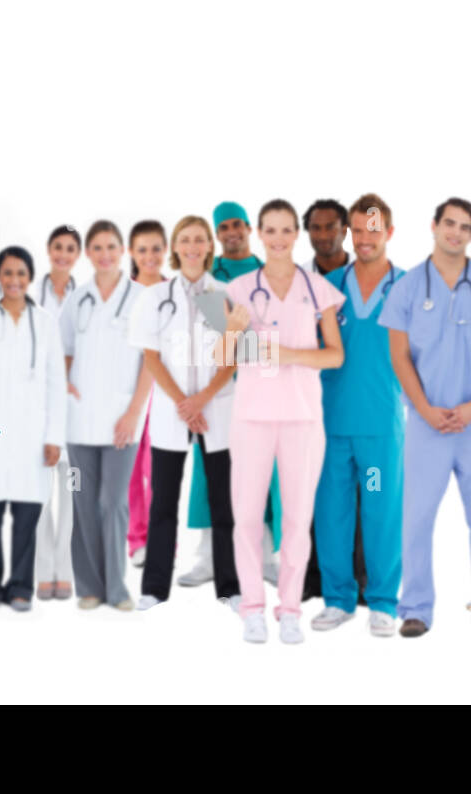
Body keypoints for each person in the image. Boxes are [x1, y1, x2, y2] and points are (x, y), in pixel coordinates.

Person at [380, 198, 471, 639]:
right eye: (449, 224)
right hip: (425, 423)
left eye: (465, 227)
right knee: (416, 516)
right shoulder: (405, 288)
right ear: (434, 226)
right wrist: (422, 408)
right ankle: (415, 608)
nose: (455, 232)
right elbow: (399, 356)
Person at [222, 198, 344, 644]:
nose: (277, 239)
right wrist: (234, 332)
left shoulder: (317, 289)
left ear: (296, 235)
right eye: (269, 231)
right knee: (248, 519)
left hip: (302, 417)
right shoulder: (237, 289)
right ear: (259, 233)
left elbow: (335, 354)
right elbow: (221, 358)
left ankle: (289, 609)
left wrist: (291, 355)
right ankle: (252, 607)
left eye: (285, 231)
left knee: (296, 519)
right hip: (252, 416)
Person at [129, 216, 240, 610]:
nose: (192, 247)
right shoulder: (156, 296)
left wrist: (203, 398)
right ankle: (153, 588)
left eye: (199, 240)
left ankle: (230, 587)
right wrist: (184, 402)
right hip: (171, 413)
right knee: (163, 504)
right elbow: (151, 357)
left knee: (224, 503)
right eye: (185, 240)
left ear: (209, 246)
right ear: (176, 247)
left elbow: (231, 357)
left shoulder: (223, 295)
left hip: (216, 410)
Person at [310, 194, 405, 637]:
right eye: (358, 231)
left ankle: (383, 602)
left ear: (388, 231)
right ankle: (337, 599)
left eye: (374, 230)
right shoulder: (326, 287)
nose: (365, 239)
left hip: (380, 427)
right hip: (330, 425)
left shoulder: (409, 289)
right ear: (350, 233)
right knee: (332, 514)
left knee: (380, 512)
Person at [179, 201, 281, 588]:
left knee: (262, 471)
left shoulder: (268, 271)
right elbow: (211, 337)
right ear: (217, 235)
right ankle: (208, 557)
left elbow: (268, 333)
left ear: (249, 228)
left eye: (238, 224)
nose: (232, 232)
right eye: (224, 227)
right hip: (216, 389)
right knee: (209, 473)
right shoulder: (208, 277)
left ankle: (266, 557)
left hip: (260, 385)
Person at [58, 220, 154, 611]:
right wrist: (66, 382)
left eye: (112, 246)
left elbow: (151, 359)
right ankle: (90, 587)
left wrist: (134, 412)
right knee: (82, 501)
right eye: (97, 247)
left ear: (123, 250)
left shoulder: (141, 298)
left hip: (122, 421)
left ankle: (117, 588)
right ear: (88, 253)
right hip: (80, 422)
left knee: (113, 503)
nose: (105, 254)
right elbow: (63, 349)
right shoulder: (77, 299)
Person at [0, 246, 66, 613]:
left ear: (30, 276)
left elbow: (56, 381)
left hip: (33, 433)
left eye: (21, 273)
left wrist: (54, 435)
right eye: (7, 273)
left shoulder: (45, 323)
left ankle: (21, 587)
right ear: (0, 277)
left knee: (27, 512)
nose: (14, 280)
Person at [302, 198, 367, 604]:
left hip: (360, 406)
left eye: (331, 227)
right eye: (316, 228)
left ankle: (360, 578)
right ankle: (315, 578)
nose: (324, 235)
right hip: (309, 405)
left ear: (345, 229)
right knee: (313, 492)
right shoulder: (297, 283)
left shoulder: (364, 279)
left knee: (362, 495)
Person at [35, 224, 81, 600]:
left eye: (70, 249)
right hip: (38, 410)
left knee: (71, 492)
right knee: (39, 495)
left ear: (77, 255)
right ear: (49, 250)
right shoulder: (32, 295)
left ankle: (63, 570)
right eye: (58, 247)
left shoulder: (85, 298)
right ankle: (42, 570)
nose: (63, 254)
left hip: (78, 411)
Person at [126, 220, 167, 569]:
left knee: (160, 471)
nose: (149, 256)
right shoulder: (123, 294)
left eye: (156, 248)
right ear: (131, 253)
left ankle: (161, 538)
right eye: (142, 249)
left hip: (167, 393)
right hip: (126, 394)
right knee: (130, 469)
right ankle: (137, 539)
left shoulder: (179, 290)